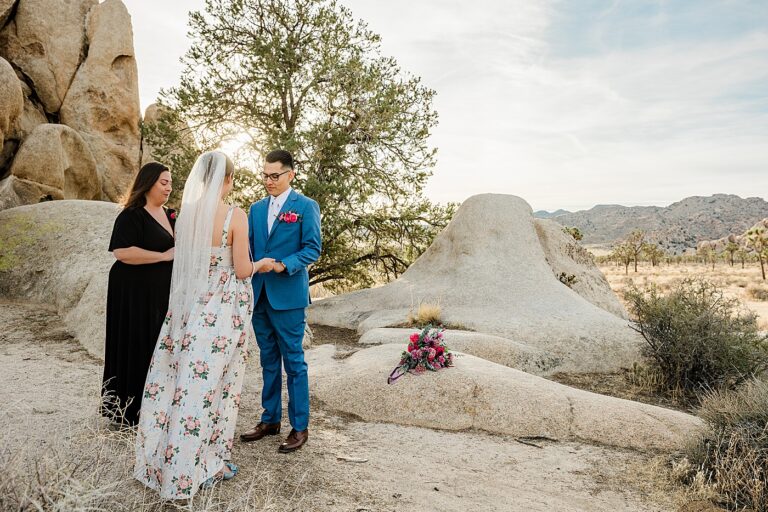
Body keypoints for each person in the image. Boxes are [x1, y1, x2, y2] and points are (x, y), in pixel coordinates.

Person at [134, 151, 273, 499]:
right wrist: (264, 264)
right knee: (215, 387)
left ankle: (167, 463)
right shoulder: (234, 215)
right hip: (221, 313)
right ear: (225, 181)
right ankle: (205, 463)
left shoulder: (186, 215)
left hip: (188, 309)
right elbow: (241, 269)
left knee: (179, 384)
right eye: (231, 179)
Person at [240, 149, 321, 453]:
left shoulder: (306, 207)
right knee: (268, 360)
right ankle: (269, 419)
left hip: (288, 297)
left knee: (295, 363)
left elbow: (313, 248)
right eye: (265, 175)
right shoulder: (256, 209)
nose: (269, 181)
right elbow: (248, 248)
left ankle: (300, 427)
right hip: (259, 295)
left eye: (275, 175)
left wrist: (283, 264)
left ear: (291, 175)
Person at [102, 162, 175, 427]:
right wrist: (163, 256)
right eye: (163, 182)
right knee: (134, 344)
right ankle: (127, 412)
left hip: (159, 292)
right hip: (132, 290)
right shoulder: (131, 215)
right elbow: (121, 253)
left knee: (156, 345)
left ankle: (154, 407)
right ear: (148, 183)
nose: (168, 187)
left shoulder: (172, 215)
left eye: (170, 183)